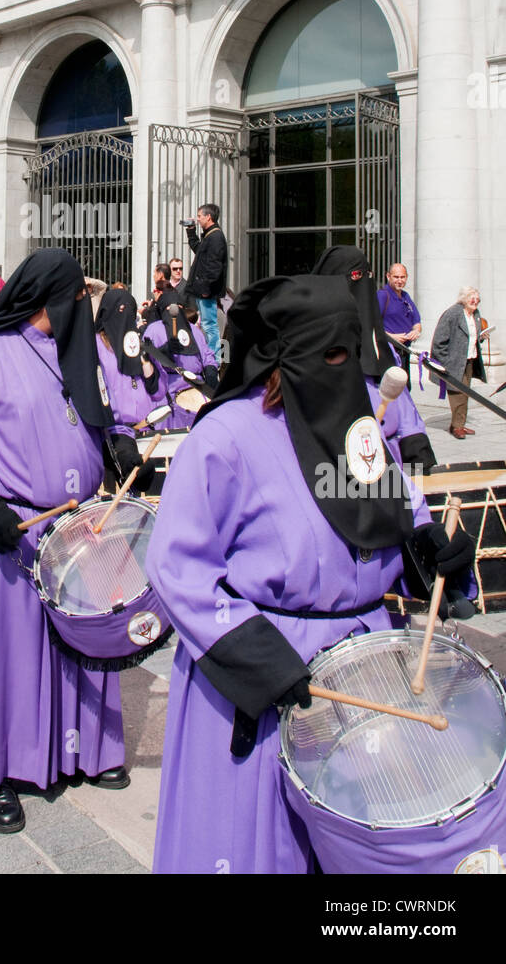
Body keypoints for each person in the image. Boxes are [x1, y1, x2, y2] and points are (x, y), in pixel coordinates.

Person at [145, 275, 475, 874]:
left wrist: (430, 555)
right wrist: (260, 660)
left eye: (352, 352)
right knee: (266, 849)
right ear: (284, 355)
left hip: (365, 676)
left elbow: (399, 524)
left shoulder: (363, 434)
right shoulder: (224, 438)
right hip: (271, 675)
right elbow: (178, 568)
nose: (346, 369)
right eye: (331, 354)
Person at [0, 249, 148, 835]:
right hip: (16, 532)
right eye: (78, 296)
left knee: (84, 645)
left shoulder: (84, 348)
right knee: (12, 653)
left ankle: (86, 751)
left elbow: (104, 413)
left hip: (84, 529)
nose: (85, 305)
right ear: (51, 296)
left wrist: (118, 445)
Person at [311, 246, 436, 474]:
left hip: (387, 478)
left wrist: (417, 452)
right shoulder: (305, 350)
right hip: (328, 477)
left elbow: (404, 412)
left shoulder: (379, 347)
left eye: (365, 277)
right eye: (355, 277)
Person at [142, 290, 218, 430]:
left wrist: (211, 370)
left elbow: (207, 355)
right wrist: (163, 351)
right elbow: (145, 357)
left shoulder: (194, 331)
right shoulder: (154, 330)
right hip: (167, 385)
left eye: (179, 307)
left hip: (196, 384)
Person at [94, 288, 162, 430]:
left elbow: (158, 393)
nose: (125, 316)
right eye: (121, 309)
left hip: (145, 425)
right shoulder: (96, 346)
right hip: (114, 430)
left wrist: (146, 362)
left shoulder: (138, 343)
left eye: (130, 311)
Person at [430, 287, 488, 439]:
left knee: (465, 392)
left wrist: (481, 337)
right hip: (454, 362)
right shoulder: (453, 313)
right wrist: (445, 362)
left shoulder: (475, 314)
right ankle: (457, 427)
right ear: (464, 299)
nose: (475, 302)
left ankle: (458, 424)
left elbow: (472, 336)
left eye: (477, 299)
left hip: (469, 359)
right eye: (472, 299)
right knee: (457, 393)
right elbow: (438, 341)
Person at [183, 203, 227, 357]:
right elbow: (199, 250)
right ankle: (210, 357)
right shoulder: (211, 235)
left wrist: (206, 290)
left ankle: (213, 359)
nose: (198, 219)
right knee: (207, 324)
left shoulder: (215, 237)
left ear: (209, 217)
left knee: (209, 325)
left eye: (200, 216)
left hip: (206, 292)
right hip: (203, 291)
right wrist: (191, 232)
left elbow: (215, 267)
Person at [377, 263, 422, 374]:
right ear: (388, 276)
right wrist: (392, 337)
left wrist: (416, 331)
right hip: (389, 352)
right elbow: (372, 324)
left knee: (406, 388)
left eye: (403, 277)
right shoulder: (382, 295)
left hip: (404, 352)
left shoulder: (406, 296)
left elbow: (416, 320)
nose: (400, 280)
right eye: (396, 277)